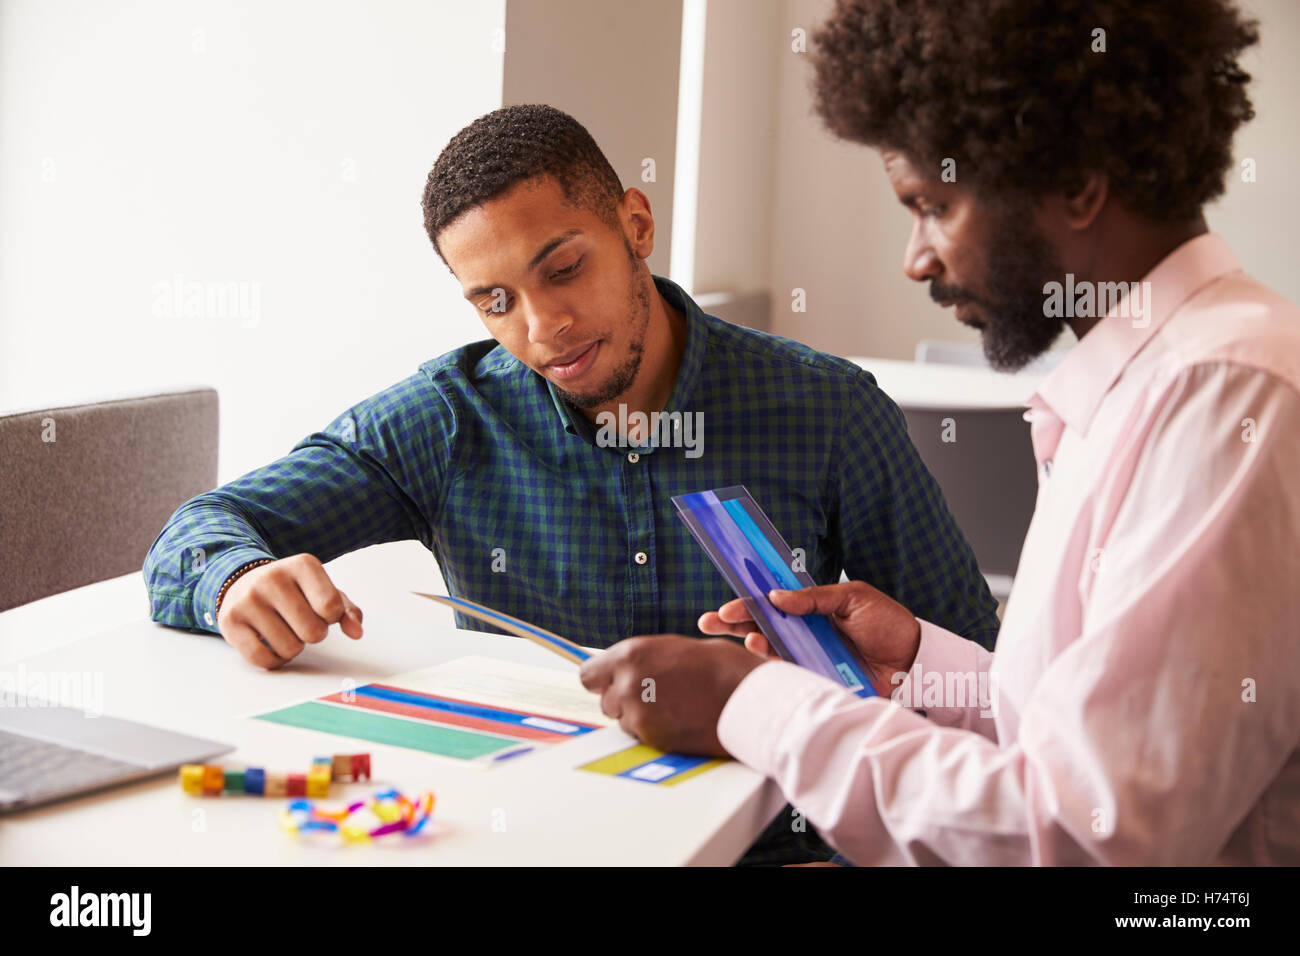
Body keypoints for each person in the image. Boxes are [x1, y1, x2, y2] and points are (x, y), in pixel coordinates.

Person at [143, 103, 1000, 864]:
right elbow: (202, 527)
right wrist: (236, 580)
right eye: (495, 301)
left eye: (562, 269)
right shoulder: (448, 418)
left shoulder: (829, 412)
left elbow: (973, 688)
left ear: (636, 224)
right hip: (530, 838)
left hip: (771, 849)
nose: (542, 326)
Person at [580, 0, 1300, 865]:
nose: (916, 258)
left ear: (1077, 185)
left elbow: (1084, 833)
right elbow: (1077, 726)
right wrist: (919, 661)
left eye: (934, 205)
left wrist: (751, 702)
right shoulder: (1156, 381)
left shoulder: (1225, 395)